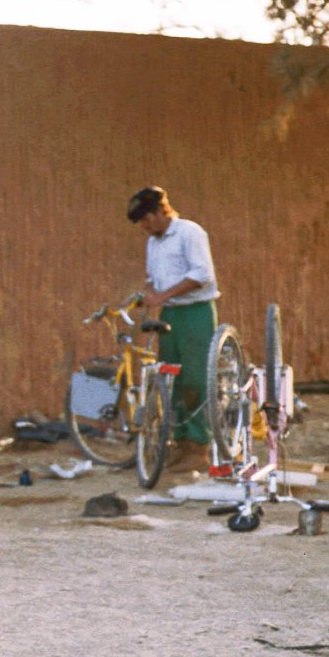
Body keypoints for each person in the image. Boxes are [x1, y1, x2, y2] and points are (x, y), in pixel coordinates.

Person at [127, 186, 220, 458]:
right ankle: (181, 441)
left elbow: (202, 274)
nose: (144, 226)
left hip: (195, 312)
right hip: (170, 314)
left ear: (159, 212)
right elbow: (153, 277)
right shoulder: (153, 242)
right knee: (172, 379)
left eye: (146, 219)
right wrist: (148, 294)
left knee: (195, 378)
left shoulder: (189, 233)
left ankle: (199, 444)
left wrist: (164, 295)